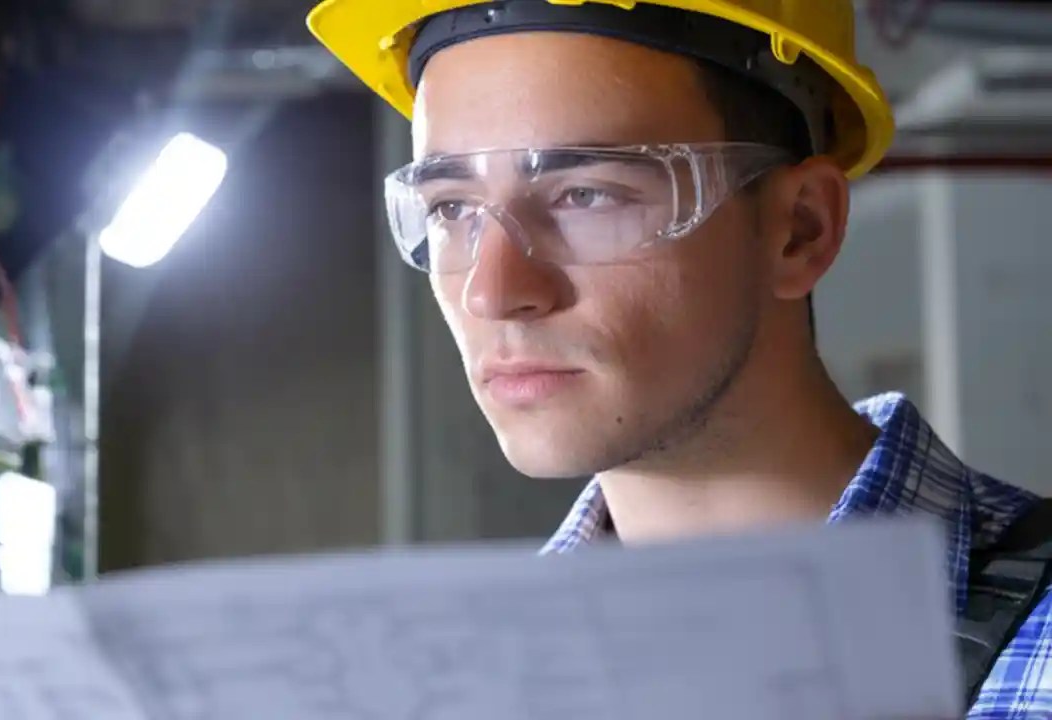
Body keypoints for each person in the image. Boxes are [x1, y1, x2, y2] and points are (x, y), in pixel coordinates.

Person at [308, 0, 1052, 715]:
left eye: (586, 196)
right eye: (450, 209)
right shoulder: (455, 688)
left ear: (801, 229)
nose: (493, 291)